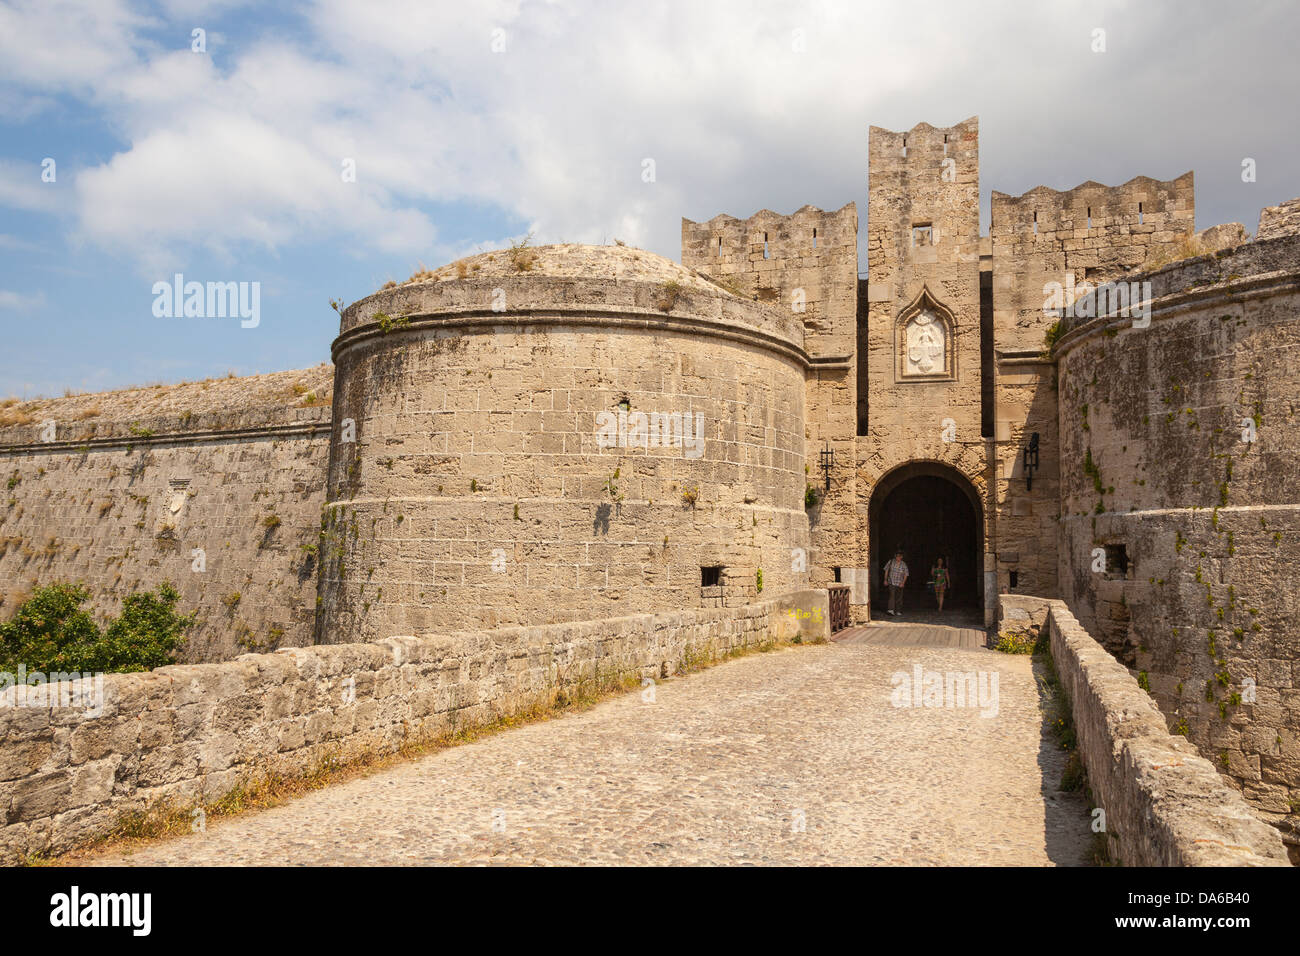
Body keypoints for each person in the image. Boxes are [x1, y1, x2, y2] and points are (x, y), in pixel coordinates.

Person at [883, 548, 909, 617]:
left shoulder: (903, 564)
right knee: (892, 595)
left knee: (899, 597)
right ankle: (891, 610)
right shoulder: (891, 562)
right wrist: (885, 580)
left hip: (900, 583)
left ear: (902, 557)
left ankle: (898, 610)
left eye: (900, 556)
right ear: (895, 556)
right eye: (897, 556)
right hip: (891, 582)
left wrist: (903, 583)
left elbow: (906, 574)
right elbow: (886, 570)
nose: (898, 557)